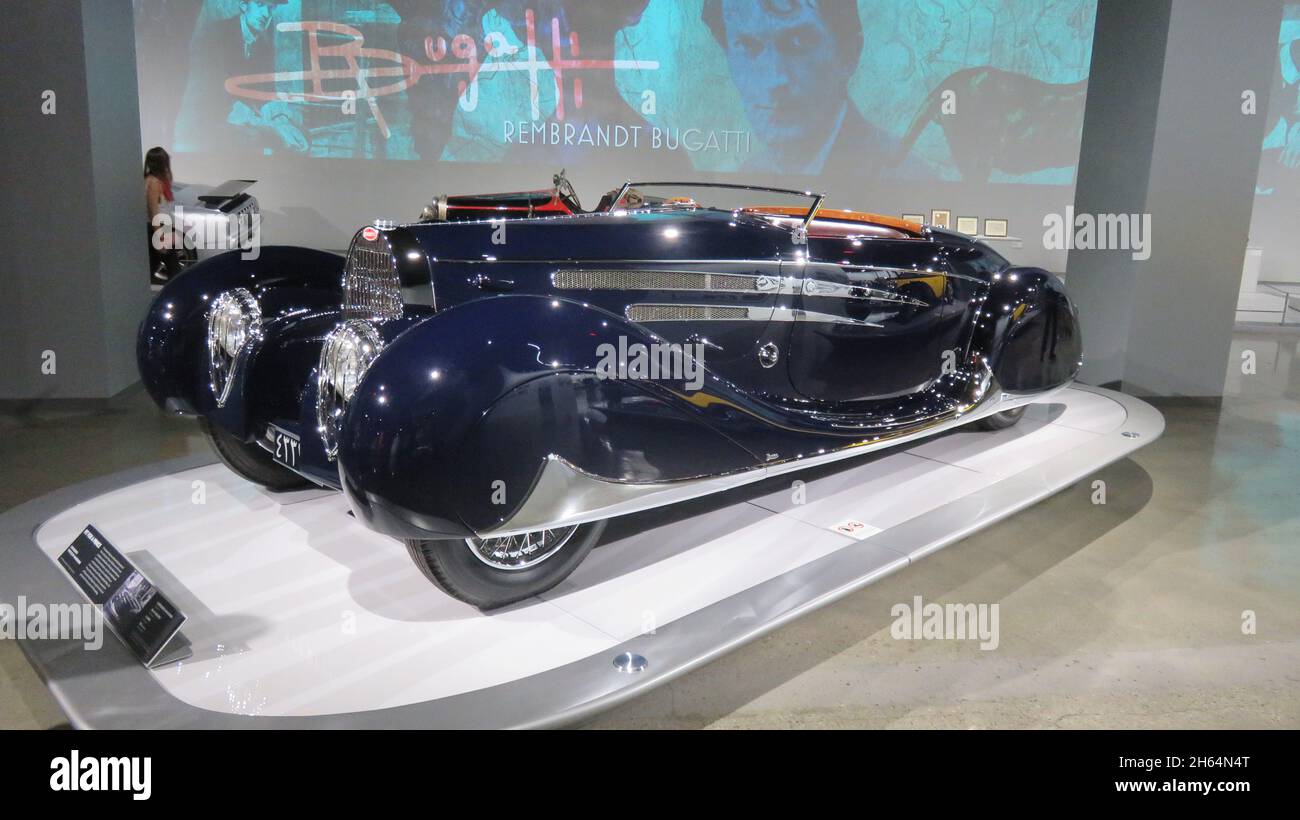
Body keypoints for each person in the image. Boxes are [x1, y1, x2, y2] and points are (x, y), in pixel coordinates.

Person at [702, 0, 899, 178]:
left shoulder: (898, 175)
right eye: (748, 46)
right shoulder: (749, 172)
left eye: (798, 43)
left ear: (849, 54)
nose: (774, 80)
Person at [174, 0, 306, 155]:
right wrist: (266, 126)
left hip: (241, 118)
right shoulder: (215, 35)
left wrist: (280, 120)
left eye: (271, 8)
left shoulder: (263, 42)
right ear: (244, 5)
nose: (266, 14)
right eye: (260, 5)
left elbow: (265, 92)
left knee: (299, 132)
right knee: (261, 138)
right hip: (207, 119)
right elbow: (213, 96)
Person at [143, 146, 180, 283]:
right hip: (159, 228)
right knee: (173, 267)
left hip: (162, 227)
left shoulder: (159, 181)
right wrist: (160, 235)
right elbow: (153, 211)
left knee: (154, 264)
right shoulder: (153, 183)